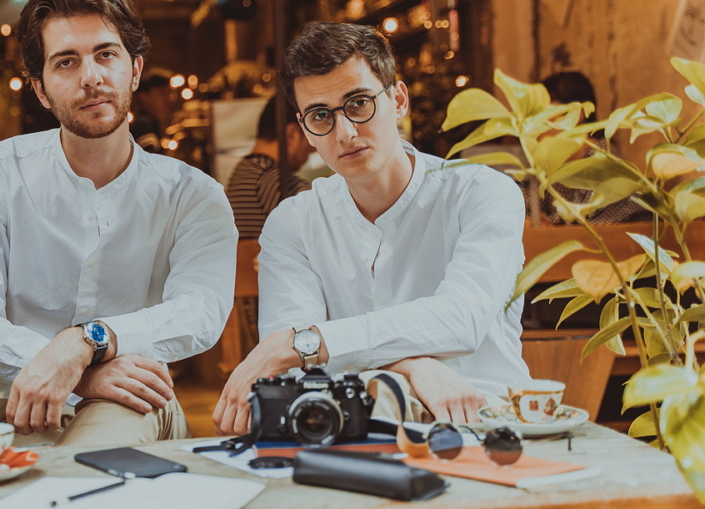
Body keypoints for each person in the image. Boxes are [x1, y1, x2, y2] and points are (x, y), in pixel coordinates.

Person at [0, 0, 237, 448]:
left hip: (134, 401)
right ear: (39, 89)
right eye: (66, 62)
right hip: (14, 396)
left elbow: (199, 313)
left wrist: (87, 341)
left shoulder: (192, 194)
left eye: (106, 55)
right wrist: (72, 371)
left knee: (86, 465)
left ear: (134, 69)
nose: (91, 78)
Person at [213, 22, 531, 436]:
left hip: (489, 425)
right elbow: (288, 367)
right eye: (320, 115)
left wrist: (311, 344)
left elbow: (462, 318)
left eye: (359, 103)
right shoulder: (293, 223)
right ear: (305, 129)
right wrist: (411, 365)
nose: (344, 132)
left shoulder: (482, 192)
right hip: (355, 436)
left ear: (398, 100)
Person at [537, 71, 650, 225]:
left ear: (577, 114)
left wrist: (541, 225)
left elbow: (591, 236)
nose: (533, 124)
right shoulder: (546, 163)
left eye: (543, 114)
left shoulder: (605, 163)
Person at [226, 96, 315, 240]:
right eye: (310, 138)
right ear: (291, 134)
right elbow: (326, 230)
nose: (312, 150)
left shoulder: (245, 170)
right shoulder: (274, 181)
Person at [129, 69, 175, 153]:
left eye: (170, 93)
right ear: (143, 96)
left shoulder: (148, 124)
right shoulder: (144, 126)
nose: (169, 99)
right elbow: (148, 164)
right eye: (162, 93)